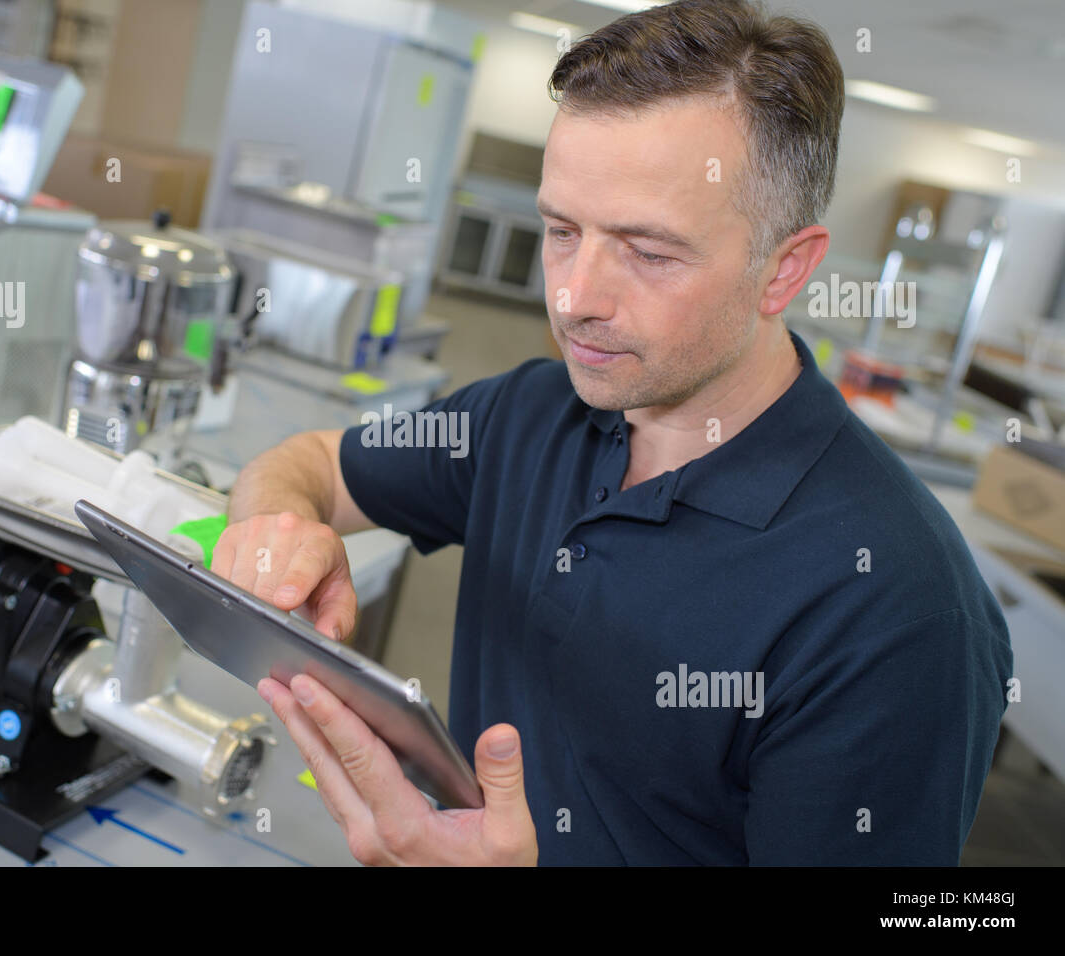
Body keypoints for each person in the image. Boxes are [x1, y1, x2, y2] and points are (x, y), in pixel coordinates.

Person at [211, 0, 1012, 865]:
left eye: (649, 251)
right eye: (562, 232)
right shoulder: (527, 415)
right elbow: (313, 465)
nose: (573, 298)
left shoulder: (897, 613)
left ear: (784, 269)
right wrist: (276, 527)